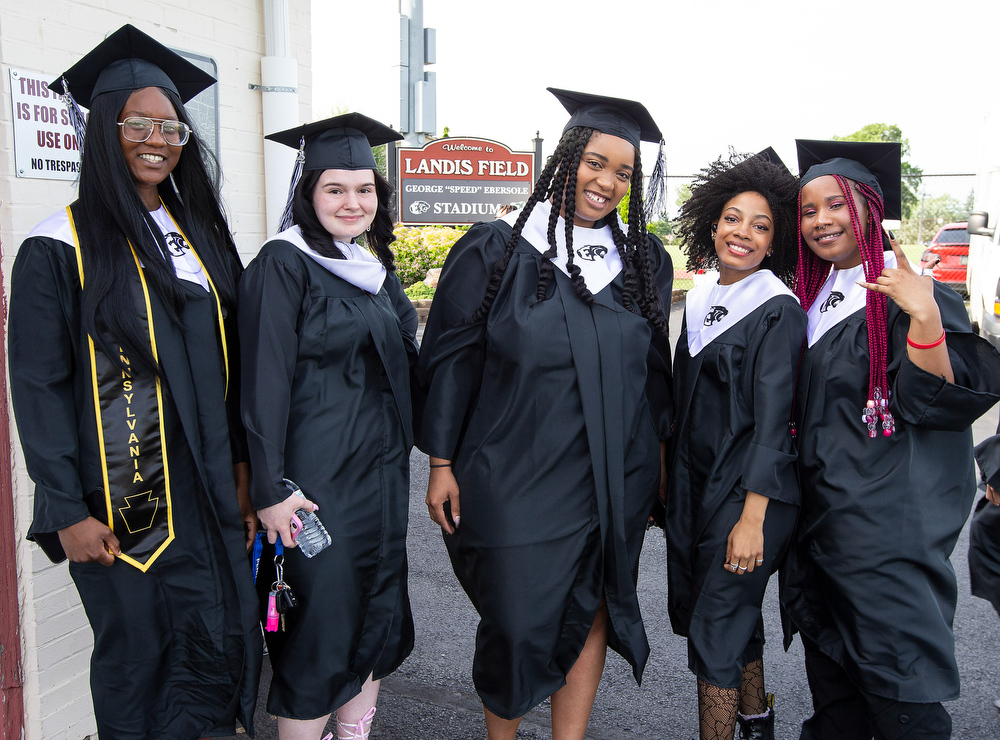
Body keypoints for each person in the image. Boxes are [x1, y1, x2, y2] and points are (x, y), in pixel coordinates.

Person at [8, 24, 261, 740]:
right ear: (105, 133)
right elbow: (39, 386)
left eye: (171, 125)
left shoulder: (201, 238)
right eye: (139, 123)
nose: (159, 138)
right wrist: (64, 507)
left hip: (210, 489)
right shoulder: (58, 247)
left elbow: (232, 366)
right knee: (140, 655)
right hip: (122, 508)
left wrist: (242, 471)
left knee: (218, 633)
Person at [415, 88, 673, 740]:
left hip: (609, 479)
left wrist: (655, 474)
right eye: (595, 162)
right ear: (565, 160)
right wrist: (441, 461)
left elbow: (653, 377)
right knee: (515, 618)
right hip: (513, 472)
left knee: (590, 612)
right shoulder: (497, 249)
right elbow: (451, 359)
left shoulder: (642, 263)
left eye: (623, 172)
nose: (607, 182)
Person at [780, 139, 1000, 739]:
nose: (821, 220)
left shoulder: (908, 293)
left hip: (885, 531)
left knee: (900, 688)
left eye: (837, 205)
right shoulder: (811, 295)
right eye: (808, 210)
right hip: (821, 525)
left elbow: (942, 402)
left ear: (869, 208)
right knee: (835, 684)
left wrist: (926, 319)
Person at [239, 113, 417, 740]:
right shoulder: (283, 265)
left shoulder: (370, 269)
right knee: (317, 632)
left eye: (364, 189)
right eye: (335, 188)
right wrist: (268, 489)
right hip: (312, 488)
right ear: (308, 192)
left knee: (374, 618)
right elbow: (262, 383)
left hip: (379, 483)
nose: (352, 201)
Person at [667, 149, 804, 740]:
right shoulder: (699, 300)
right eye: (732, 218)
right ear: (711, 224)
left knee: (716, 625)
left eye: (761, 225)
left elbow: (775, 423)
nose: (742, 233)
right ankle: (757, 725)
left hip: (752, 493)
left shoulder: (777, 308)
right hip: (700, 486)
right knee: (734, 620)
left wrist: (753, 517)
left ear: (775, 243)